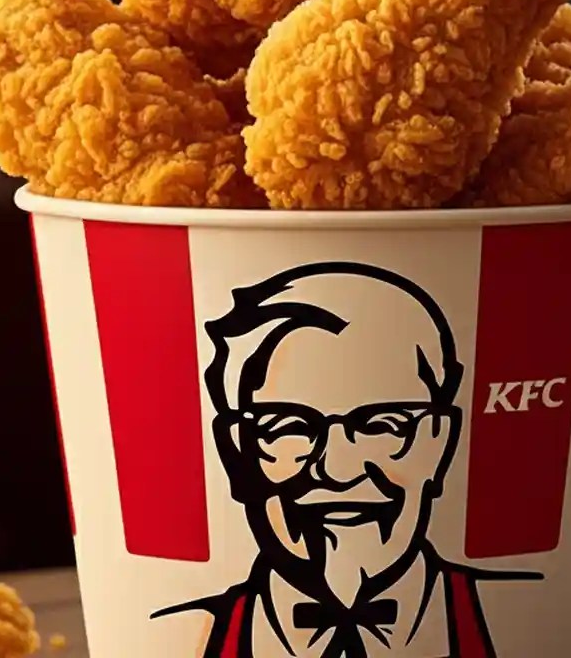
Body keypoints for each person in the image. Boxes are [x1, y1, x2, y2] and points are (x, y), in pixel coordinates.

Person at [154, 263, 540, 657]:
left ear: (439, 443)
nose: (339, 470)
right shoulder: (171, 634)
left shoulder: (533, 613)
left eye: (382, 424)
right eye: (289, 426)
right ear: (236, 454)